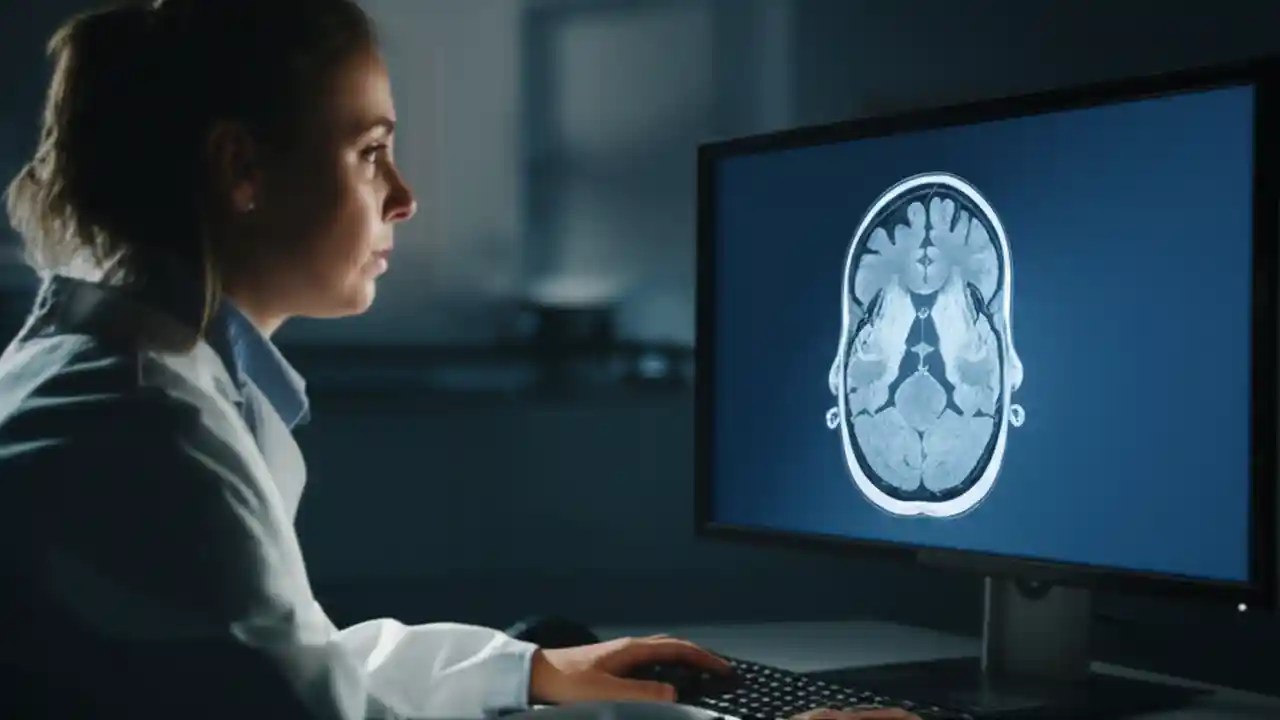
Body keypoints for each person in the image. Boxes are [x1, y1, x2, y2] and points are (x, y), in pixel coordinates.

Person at [0, 1, 920, 719]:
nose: (403, 197)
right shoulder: (137, 428)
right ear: (242, 168)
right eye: (370, 152)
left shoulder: (144, 381)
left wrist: (527, 671)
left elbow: (280, 665)